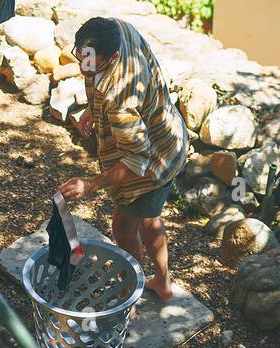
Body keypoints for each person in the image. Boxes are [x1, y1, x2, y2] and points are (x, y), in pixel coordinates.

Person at [59, 16, 188, 302]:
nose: (84, 67)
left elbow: (136, 161)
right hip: (168, 137)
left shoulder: (120, 100)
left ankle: (130, 293)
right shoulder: (117, 29)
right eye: (80, 57)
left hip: (154, 158)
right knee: (149, 217)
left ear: (113, 56)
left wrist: (91, 184)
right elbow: (101, 77)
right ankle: (162, 283)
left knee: (123, 226)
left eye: (92, 63)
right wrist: (95, 108)